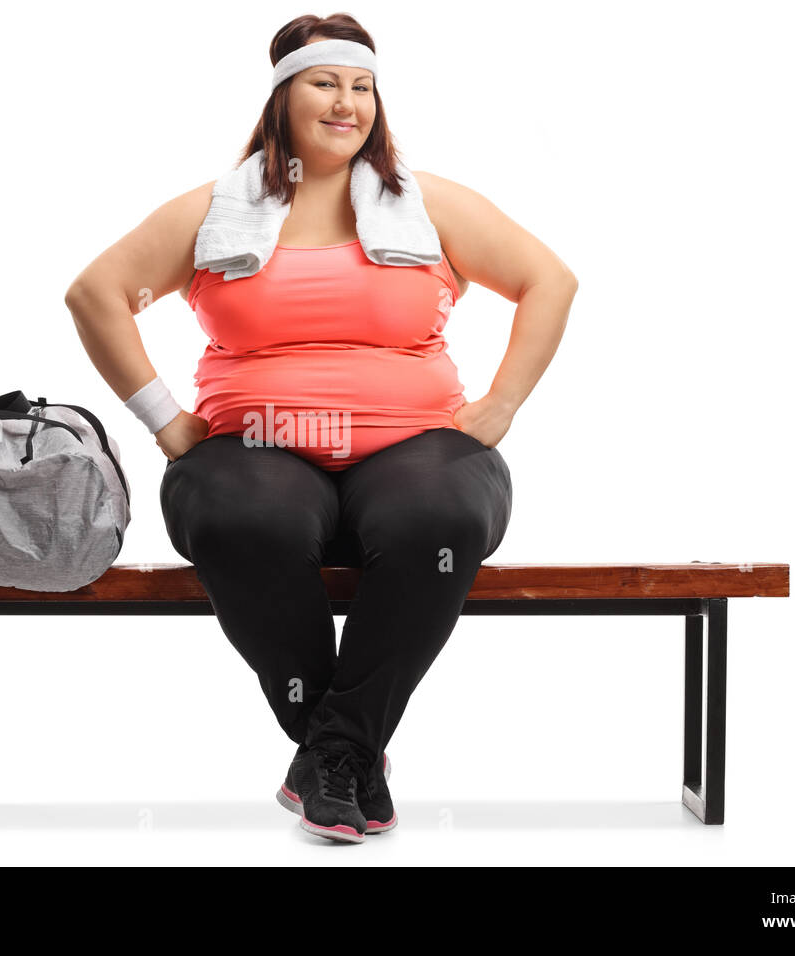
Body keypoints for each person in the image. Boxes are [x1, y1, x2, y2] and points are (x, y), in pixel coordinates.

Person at [64, 14, 577, 844]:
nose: (347, 103)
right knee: (242, 522)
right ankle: (345, 759)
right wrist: (166, 422)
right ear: (281, 98)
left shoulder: (430, 202)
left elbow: (549, 280)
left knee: (437, 523)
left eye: (361, 86)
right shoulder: (215, 211)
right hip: (254, 445)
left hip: (415, 443)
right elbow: (97, 293)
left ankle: (332, 757)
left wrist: (502, 404)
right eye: (325, 83)